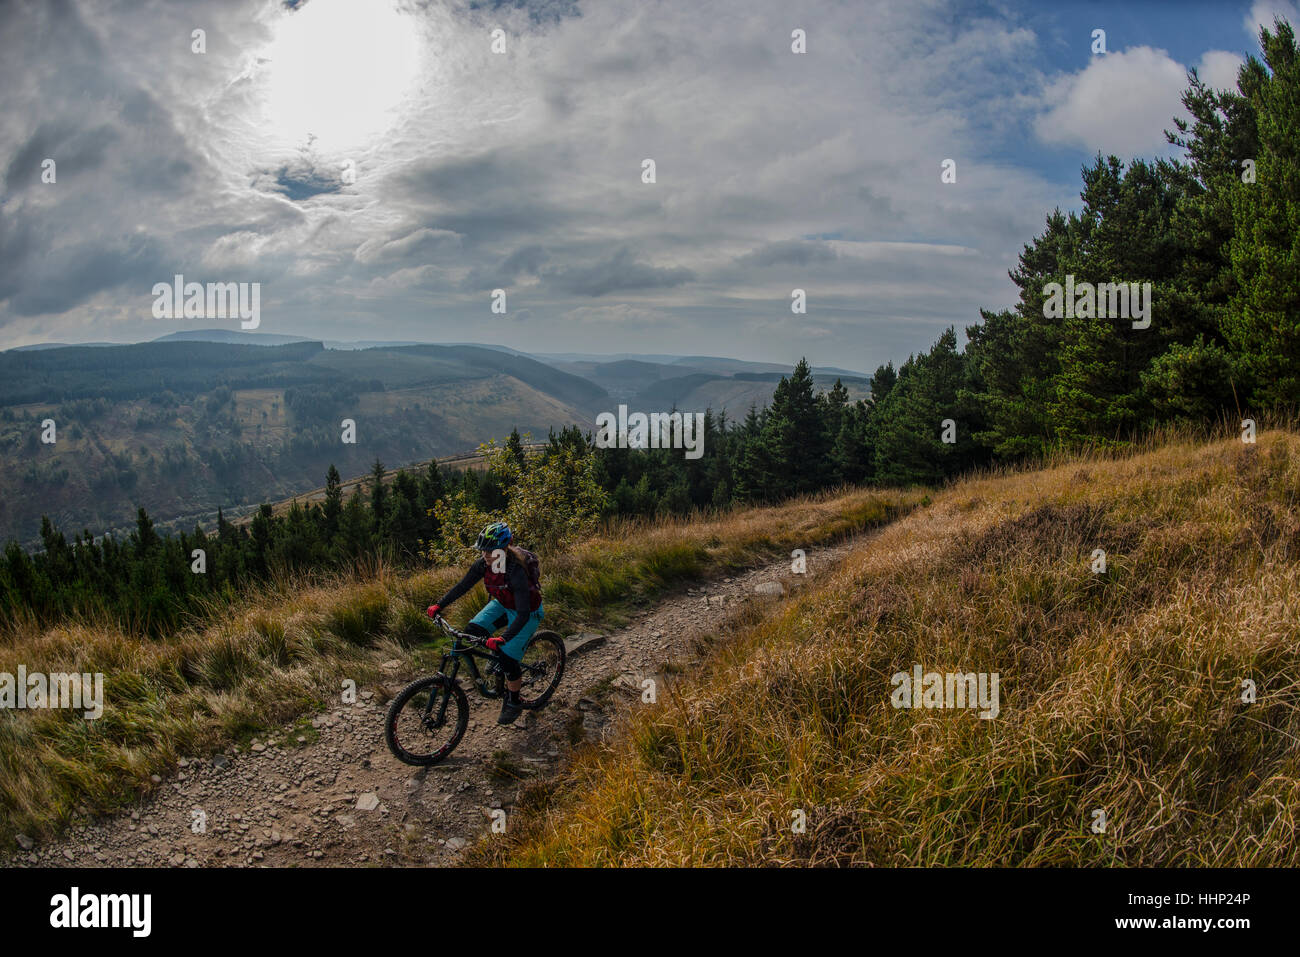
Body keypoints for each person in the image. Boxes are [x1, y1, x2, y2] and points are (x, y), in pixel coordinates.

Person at [427, 521, 544, 725]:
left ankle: (514, 700)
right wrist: (439, 605)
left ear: (504, 549)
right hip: (503, 604)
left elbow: (523, 613)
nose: (486, 555)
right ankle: (498, 658)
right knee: (472, 630)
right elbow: (463, 586)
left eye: (491, 551)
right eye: (483, 550)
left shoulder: (515, 570)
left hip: (526, 613)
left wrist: (503, 638)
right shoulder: (484, 565)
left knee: (508, 659)